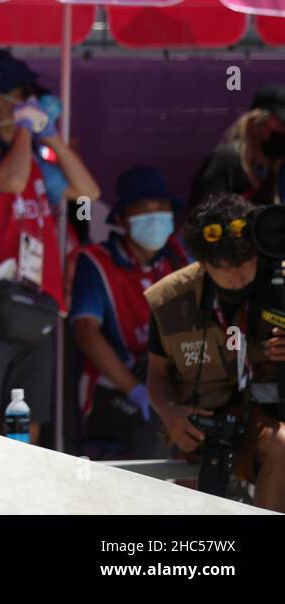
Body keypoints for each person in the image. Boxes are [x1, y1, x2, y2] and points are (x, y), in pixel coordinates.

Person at [0, 48, 101, 443]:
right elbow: (10, 180)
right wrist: (27, 130)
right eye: (22, 94)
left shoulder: (34, 155)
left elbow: (86, 192)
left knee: (25, 421)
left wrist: (50, 138)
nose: (31, 101)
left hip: (36, 304)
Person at [146, 193, 285, 511]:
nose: (236, 276)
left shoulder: (280, 279)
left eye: (244, 263)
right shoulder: (171, 300)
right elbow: (156, 375)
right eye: (223, 268)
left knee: (280, 443)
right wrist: (170, 413)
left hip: (271, 420)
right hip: (205, 428)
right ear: (202, 264)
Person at [69, 166, 190, 458]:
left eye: (161, 209)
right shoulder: (96, 261)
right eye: (143, 210)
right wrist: (139, 391)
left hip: (176, 383)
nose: (155, 217)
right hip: (117, 389)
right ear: (122, 218)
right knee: (159, 431)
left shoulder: (181, 255)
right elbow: (86, 333)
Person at [190, 84, 285, 209]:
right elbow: (208, 216)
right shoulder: (227, 159)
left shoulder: (269, 166)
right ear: (258, 120)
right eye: (282, 123)